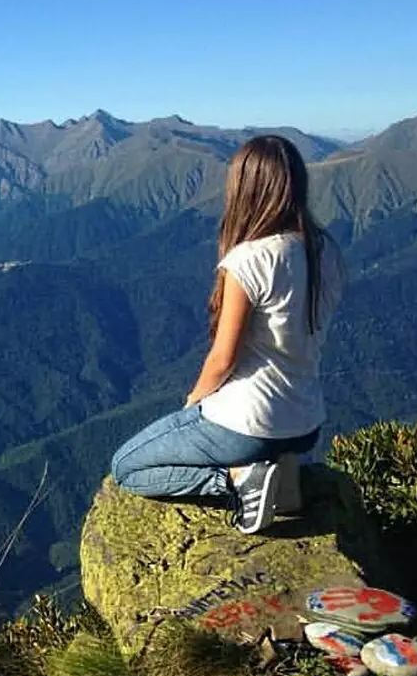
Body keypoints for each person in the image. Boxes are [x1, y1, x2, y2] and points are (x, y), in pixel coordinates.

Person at [109, 134, 345, 534]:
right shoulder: (327, 251)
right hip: (305, 423)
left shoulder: (249, 260)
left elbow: (223, 360)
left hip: (248, 422)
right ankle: (282, 479)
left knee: (126, 467)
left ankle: (238, 484)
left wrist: (192, 405)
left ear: (245, 187)